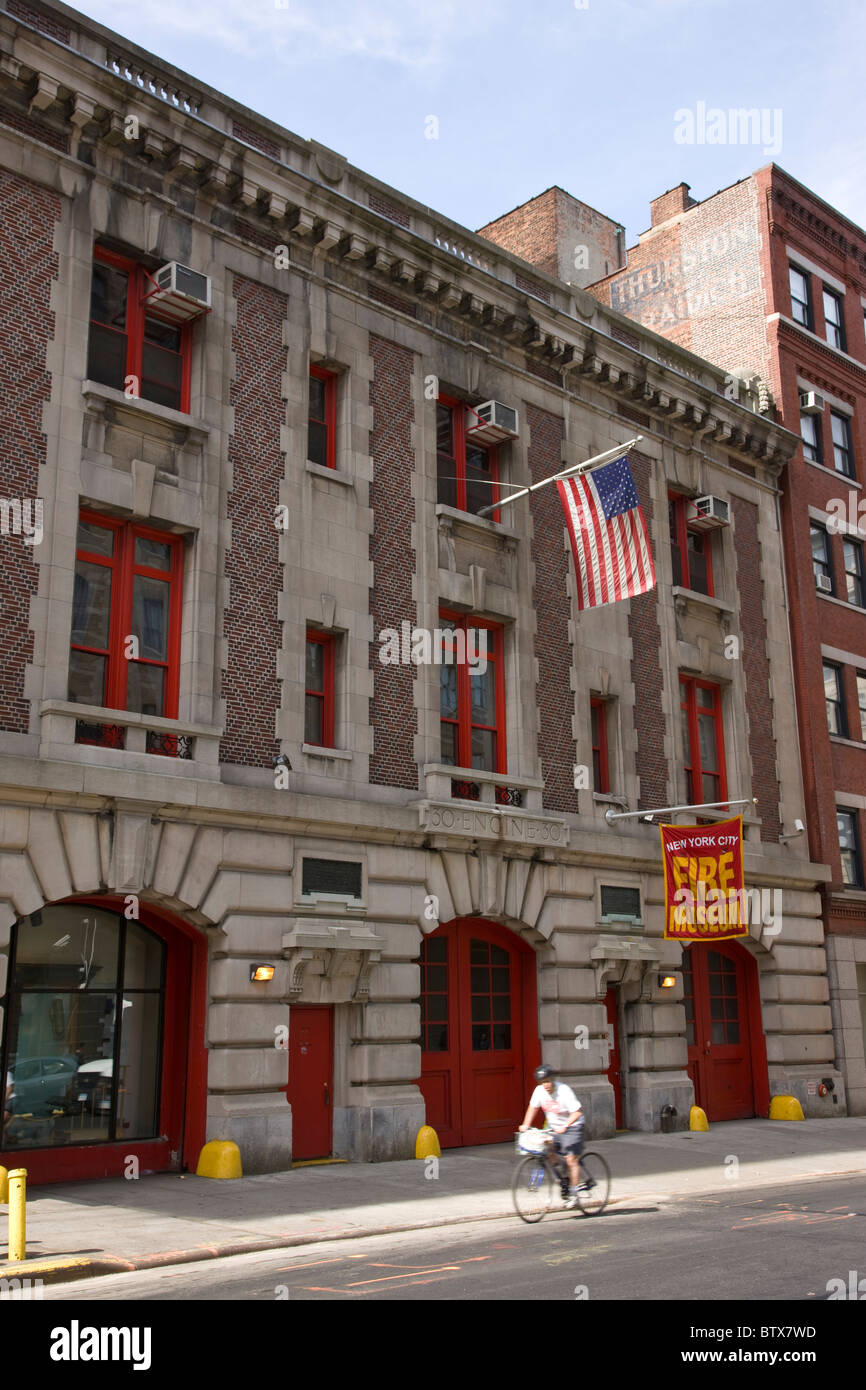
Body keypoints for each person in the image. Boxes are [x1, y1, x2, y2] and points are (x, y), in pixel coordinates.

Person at [518, 1063, 594, 1209]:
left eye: (547, 1081)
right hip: (554, 1127)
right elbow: (533, 1108)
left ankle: (574, 1193)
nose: (545, 1085)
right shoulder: (539, 1091)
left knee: (571, 1158)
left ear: (552, 1079)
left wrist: (565, 1126)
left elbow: (577, 1112)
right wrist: (525, 1125)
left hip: (573, 1126)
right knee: (547, 1151)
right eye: (542, 1082)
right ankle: (564, 1179)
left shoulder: (564, 1091)